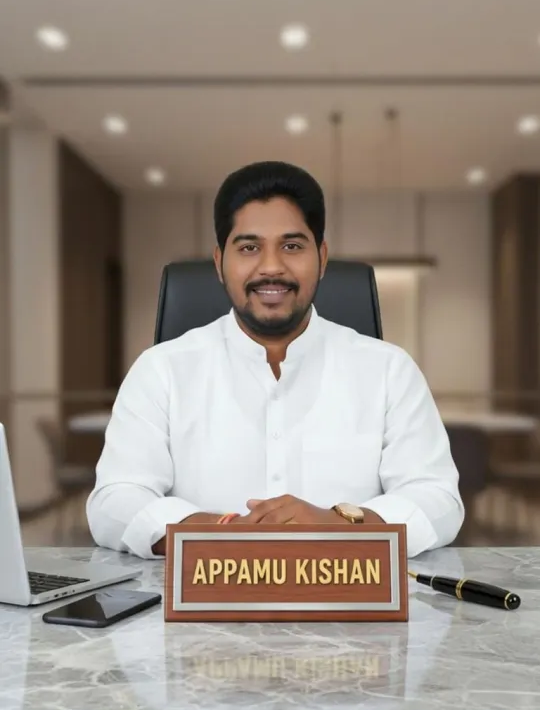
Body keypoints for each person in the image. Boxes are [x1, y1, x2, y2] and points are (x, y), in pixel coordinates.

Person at [87, 161, 464, 559]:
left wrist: (337, 525)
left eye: (292, 246)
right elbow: (114, 501)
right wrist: (220, 534)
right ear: (219, 262)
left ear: (321, 257)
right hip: (194, 611)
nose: (271, 267)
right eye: (249, 248)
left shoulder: (389, 370)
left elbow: (438, 500)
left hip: (353, 612)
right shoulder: (161, 370)